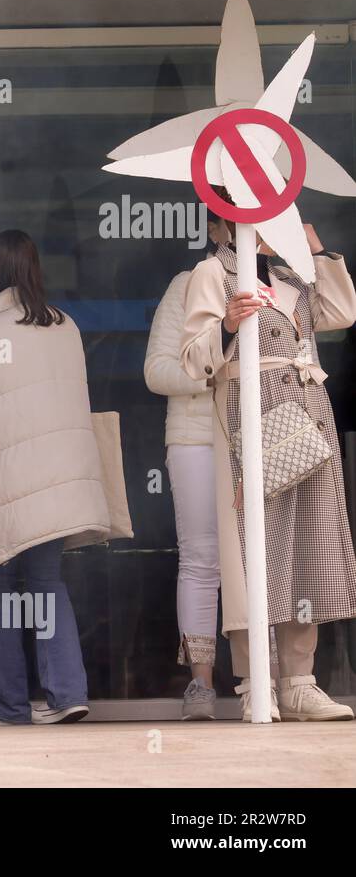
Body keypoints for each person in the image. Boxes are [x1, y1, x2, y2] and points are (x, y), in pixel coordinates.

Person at [180, 201, 356, 722]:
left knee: (309, 544)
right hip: (249, 419)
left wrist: (318, 251)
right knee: (252, 549)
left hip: (306, 415)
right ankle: (257, 681)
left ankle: (300, 682)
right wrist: (229, 324)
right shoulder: (213, 271)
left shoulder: (292, 270)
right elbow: (193, 358)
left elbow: (342, 313)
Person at [0, 230, 111, 726]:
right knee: (46, 583)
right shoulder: (67, 326)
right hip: (60, 478)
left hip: (7, 479)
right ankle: (68, 693)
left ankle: (8, 703)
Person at [145, 228, 225, 719]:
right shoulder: (188, 282)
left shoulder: (277, 283)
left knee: (261, 560)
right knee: (202, 560)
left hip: (261, 439)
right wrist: (217, 372)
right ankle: (201, 685)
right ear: (215, 228)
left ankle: (267, 679)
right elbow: (156, 371)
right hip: (196, 437)